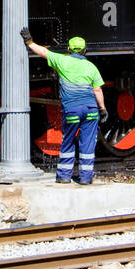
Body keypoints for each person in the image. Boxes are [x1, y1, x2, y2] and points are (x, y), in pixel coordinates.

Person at [21, 29, 107, 184]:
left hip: (72, 110)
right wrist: (102, 109)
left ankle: (64, 176)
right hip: (91, 110)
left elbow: (43, 52)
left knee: (68, 140)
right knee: (88, 144)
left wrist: (29, 42)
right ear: (85, 50)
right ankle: (86, 178)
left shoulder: (62, 61)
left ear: (68, 49)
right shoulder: (91, 67)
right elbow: (97, 89)